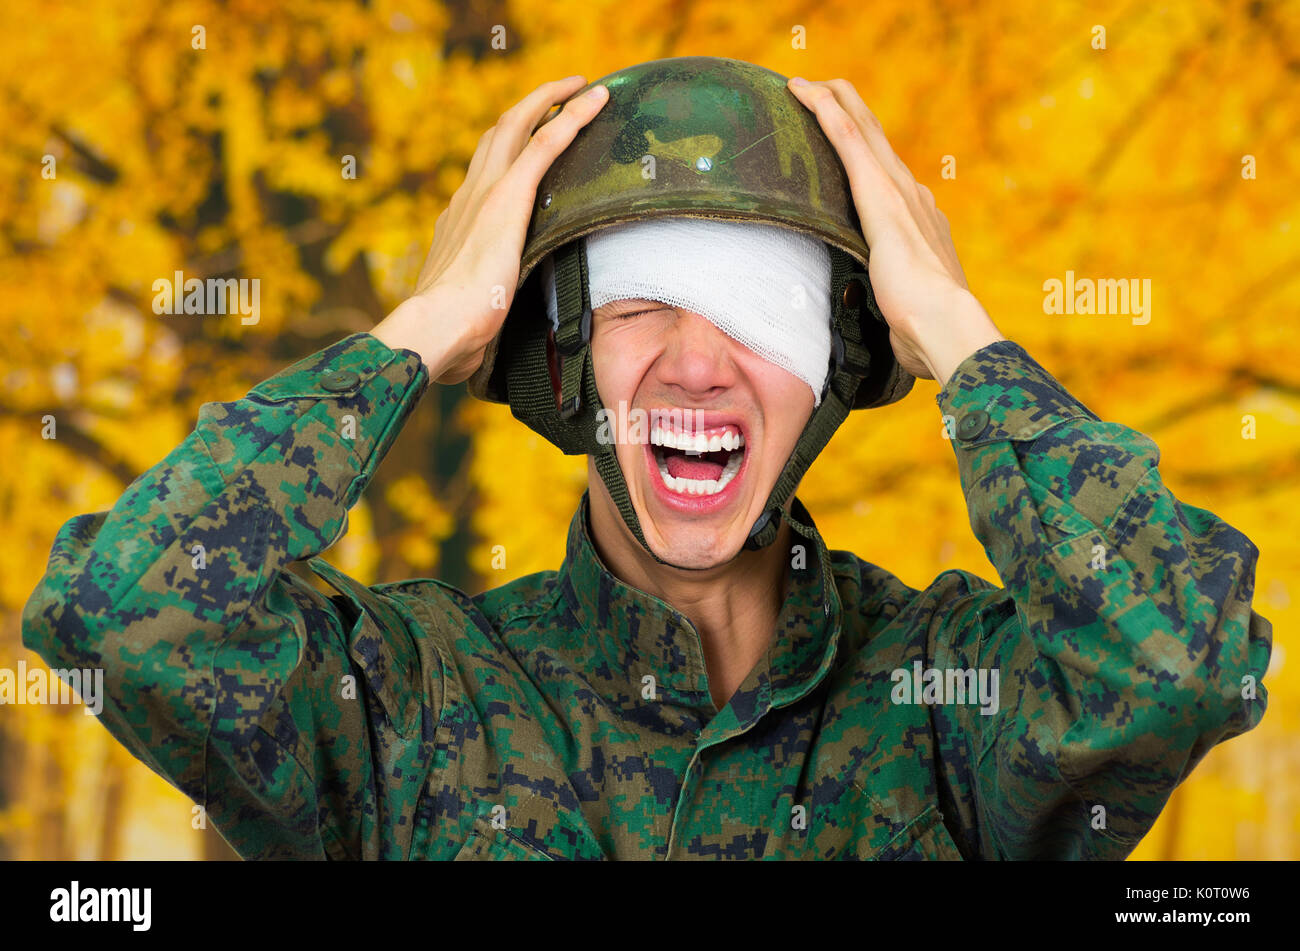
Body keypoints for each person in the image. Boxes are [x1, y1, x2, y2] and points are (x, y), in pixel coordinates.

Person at [22, 58, 1272, 860]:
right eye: (638, 307)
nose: (695, 363)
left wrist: (960, 338)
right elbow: (126, 610)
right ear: (560, 357)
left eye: (762, 314)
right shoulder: (408, 703)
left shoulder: (949, 708)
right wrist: (417, 333)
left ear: (838, 358)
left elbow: (1177, 657)